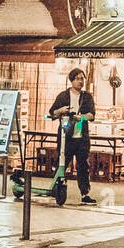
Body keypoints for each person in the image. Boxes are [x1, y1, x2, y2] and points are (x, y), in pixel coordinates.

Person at [49, 68, 96, 205]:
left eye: (82, 79)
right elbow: (52, 112)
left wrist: (80, 117)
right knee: (62, 162)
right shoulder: (63, 96)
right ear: (72, 80)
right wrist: (61, 110)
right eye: (78, 78)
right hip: (66, 137)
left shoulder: (87, 97)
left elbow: (91, 115)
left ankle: (85, 193)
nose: (81, 81)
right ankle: (57, 189)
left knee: (83, 165)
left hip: (82, 137)